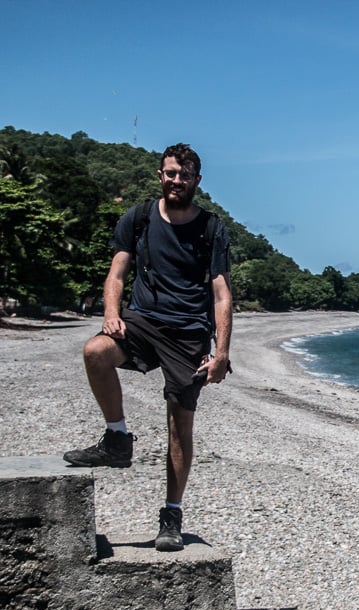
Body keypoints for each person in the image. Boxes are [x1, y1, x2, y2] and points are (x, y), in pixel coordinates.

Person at [64, 143, 232, 552]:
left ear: (197, 180)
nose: (177, 180)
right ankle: (117, 438)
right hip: (141, 321)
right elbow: (117, 273)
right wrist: (110, 312)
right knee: (95, 352)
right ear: (161, 175)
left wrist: (222, 352)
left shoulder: (211, 228)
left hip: (189, 332)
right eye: (171, 173)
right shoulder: (137, 218)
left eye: (185, 174)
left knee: (179, 424)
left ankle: (171, 514)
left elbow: (221, 293)